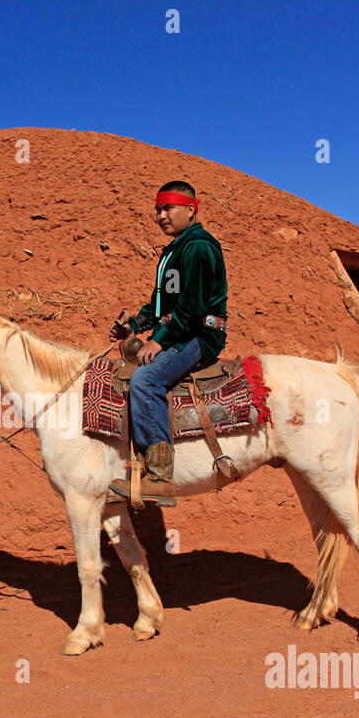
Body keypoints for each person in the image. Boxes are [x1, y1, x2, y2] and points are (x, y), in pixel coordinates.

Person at [108, 180, 229, 507]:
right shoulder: (174, 251)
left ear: (191, 209)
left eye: (168, 208)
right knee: (128, 356)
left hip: (201, 334)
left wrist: (159, 341)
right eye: (158, 210)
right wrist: (133, 325)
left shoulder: (199, 247)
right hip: (182, 329)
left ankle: (160, 477)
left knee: (145, 380)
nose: (161, 216)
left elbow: (191, 308)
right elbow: (160, 307)